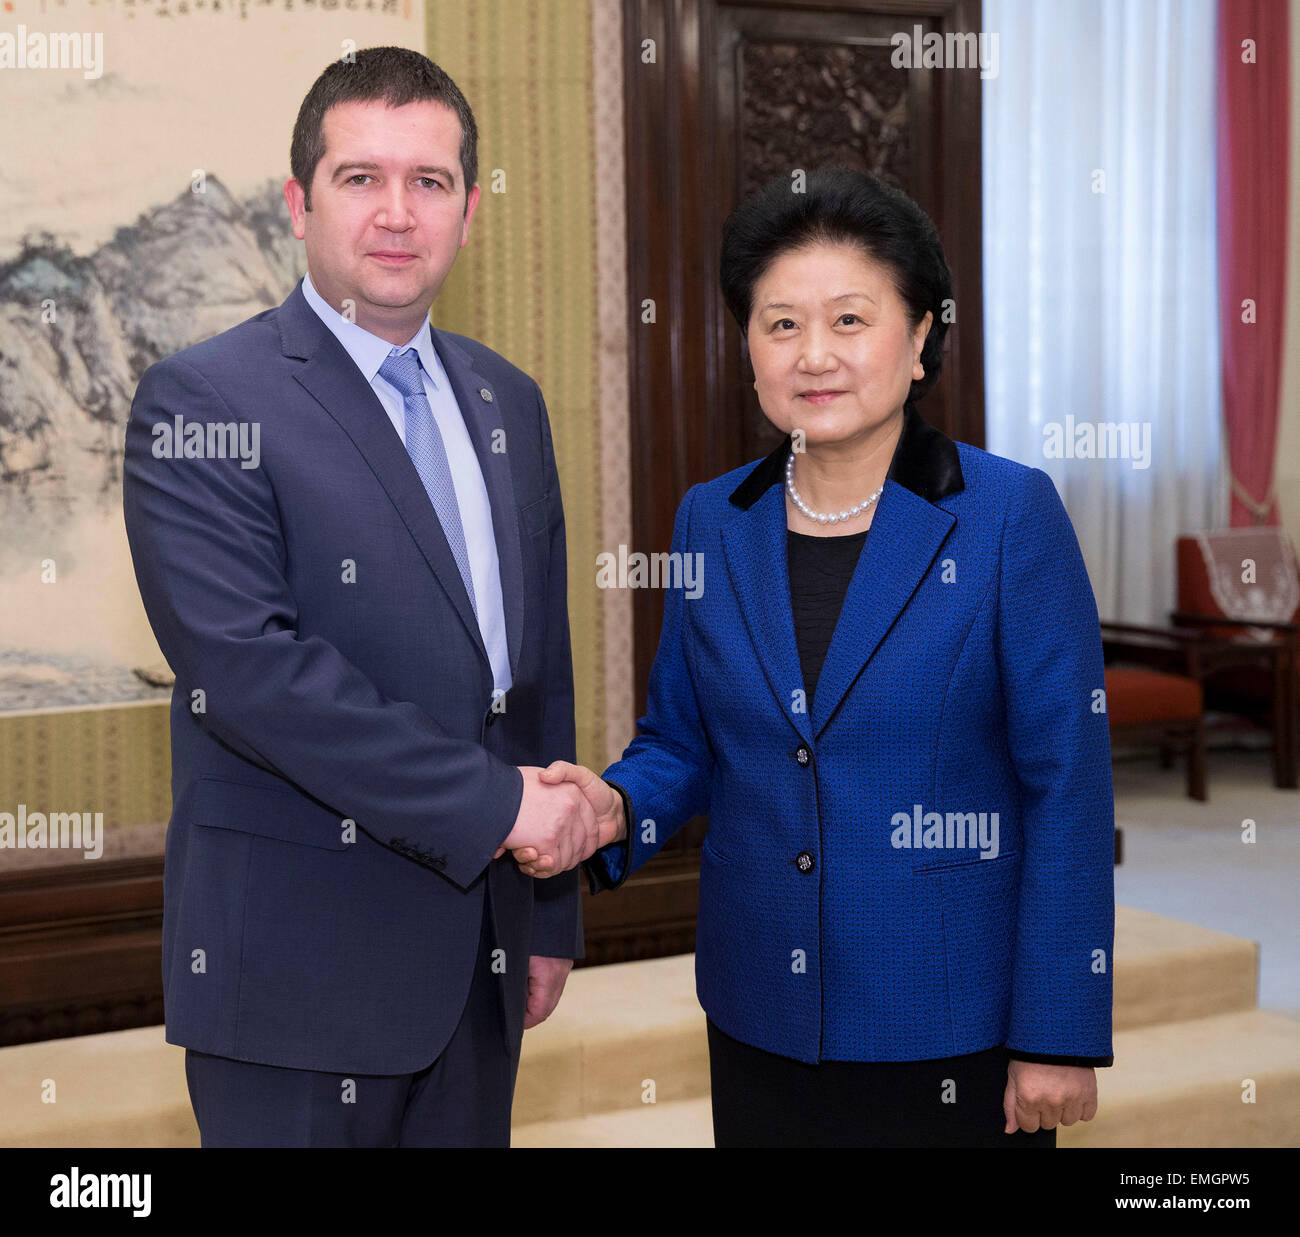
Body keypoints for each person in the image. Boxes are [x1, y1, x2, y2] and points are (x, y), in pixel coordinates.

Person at [515, 167, 1116, 1148]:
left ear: (920, 336)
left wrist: (1055, 1030)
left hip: (948, 1020)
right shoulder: (713, 518)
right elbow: (682, 740)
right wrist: (612, 808)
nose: (814, 355)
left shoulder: (1007, 515)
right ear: (746, 348)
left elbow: (1070, 792)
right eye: (780, 324)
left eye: (849, 320)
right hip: (761, 1010)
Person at [122, 46, 616, 1147]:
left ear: (469, 211)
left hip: (478, 966)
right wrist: (506, 811)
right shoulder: (204, 400)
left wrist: (546, 917)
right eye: (360, 178)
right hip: (298, 980)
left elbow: (530, 678)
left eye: (429, 182)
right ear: (299, 204)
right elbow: (255, 678)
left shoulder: (508, 401)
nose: (397, 213)